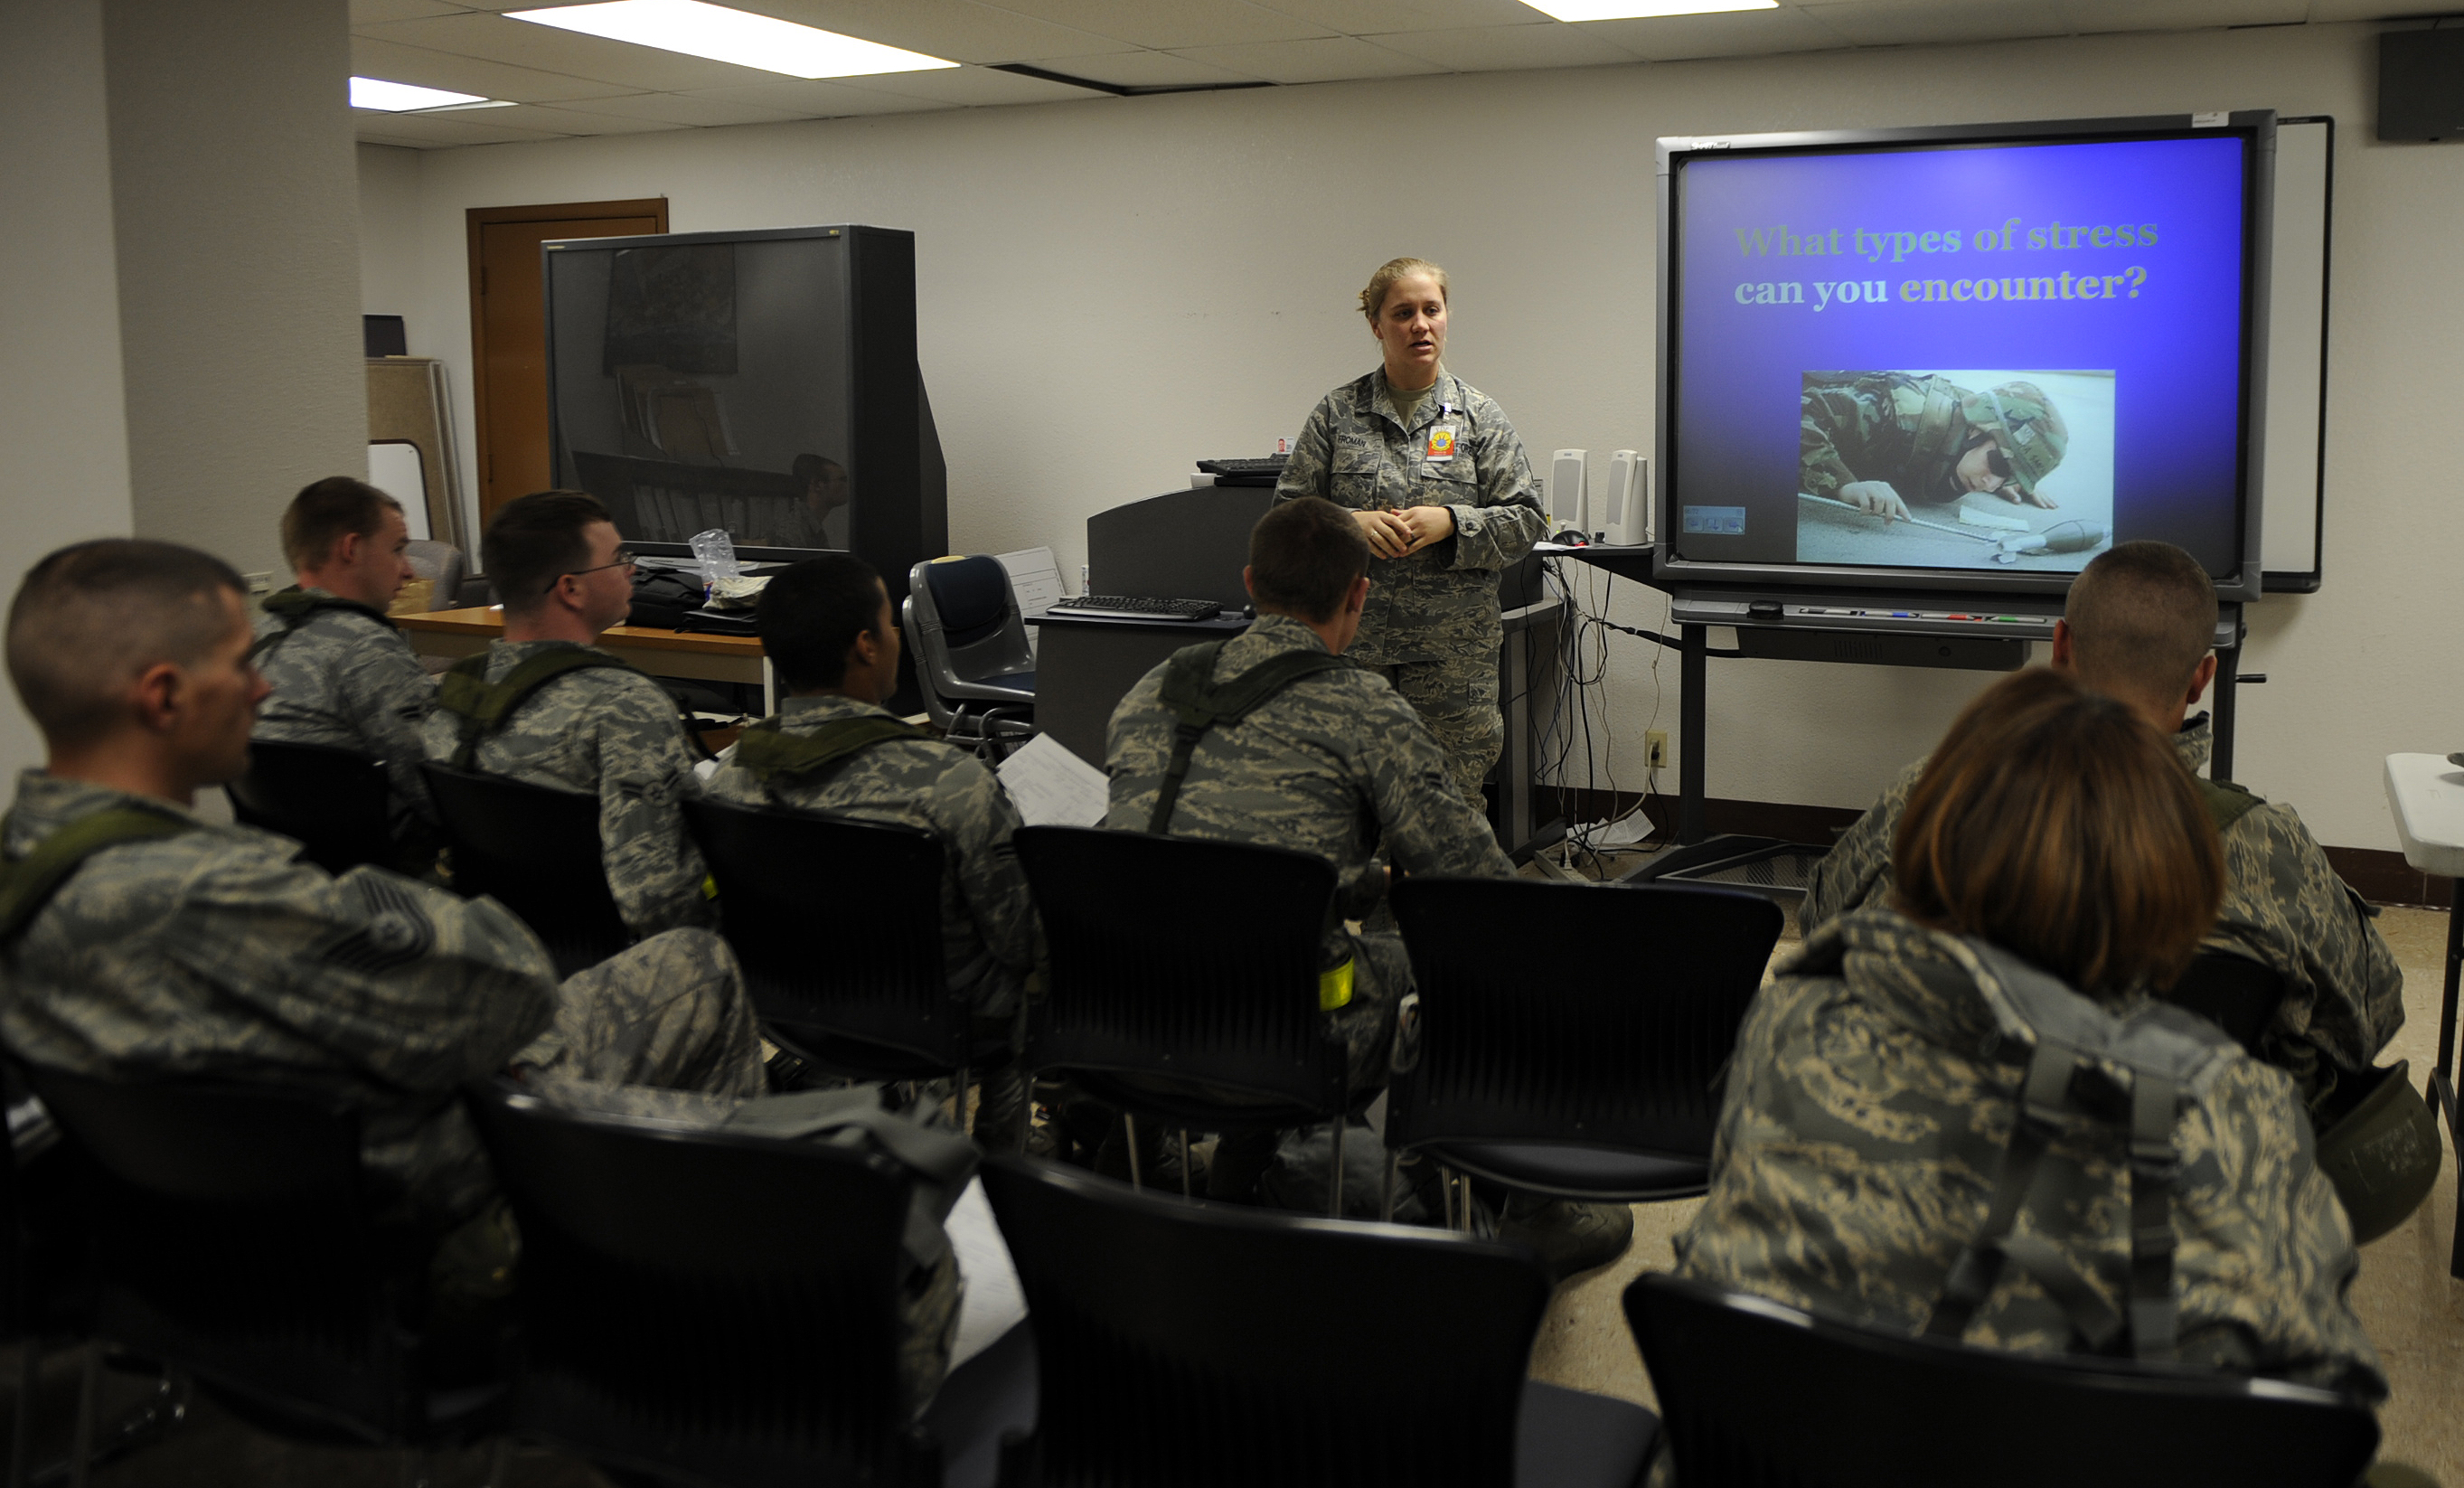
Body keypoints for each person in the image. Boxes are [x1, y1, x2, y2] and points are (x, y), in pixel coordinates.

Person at [0, 538, 976, 1413]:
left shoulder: (32, 879)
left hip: (211, 1274)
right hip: (430, 1267)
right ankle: (715, 1345)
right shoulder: (228, 899)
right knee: (905, 1233)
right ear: (165, 695)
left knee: (686, 966)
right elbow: (506, 987)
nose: (264, 688)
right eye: (240, 664)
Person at [1676, 667, 2384, 1400]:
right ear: (2170, 898)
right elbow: (2319, 1403)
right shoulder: (2231, 1112)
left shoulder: (1790, 1026)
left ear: (1930, 837)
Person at [1104, 498, 1628, 1276]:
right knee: (1469, 954)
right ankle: (1532, 1207)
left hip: (1119, 1017)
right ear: (1359, 595)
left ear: (1251, 583)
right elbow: (1478, 886)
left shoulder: (1148, 692)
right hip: (1291, 1031)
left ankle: (1139, 1161)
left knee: (1224, 932)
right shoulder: (1363, 708)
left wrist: (1354, 877)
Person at [1805, 542, 2403, 1109]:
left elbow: (1823, 935)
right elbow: (2366, 1022)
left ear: (2061, 646)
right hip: (2192, 1186)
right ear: (2201, 678)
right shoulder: (2268, 847)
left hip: (1949, 1167)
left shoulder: (1928, 799)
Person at [701, 554, 1039, 1140]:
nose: (895, 638)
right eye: (889, 625)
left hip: (792, 1016)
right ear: (865, 646)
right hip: (941, 1026)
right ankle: (1004, 1165)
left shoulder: (730, 779)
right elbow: (1017, 938)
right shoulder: (948, 780)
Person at [1274, 257, 1546, 806]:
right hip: (1354, 649)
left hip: (1451, 656)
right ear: (1377, 325)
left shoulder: (1478, 417)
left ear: (1446, 317)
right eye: (1403, 313)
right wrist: (1347, 523)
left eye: (1432, 310)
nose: (1420, 324)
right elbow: (1284, 520)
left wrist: (1453, 521)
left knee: (1446, 805)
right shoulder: (1337, 413)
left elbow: (1527, 520)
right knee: (1353, 801)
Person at [420, 490, 711, 937]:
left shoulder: (455, 692)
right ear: (571, 588)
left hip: (492, 949)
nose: (632, 569)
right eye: (618, 559)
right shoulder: (624, 705)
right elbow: (655, 901)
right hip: (608, 970)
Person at [250, 476, 437, 852]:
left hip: (283, 861)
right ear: (351, 548)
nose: (409, 571)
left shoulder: (258, 636)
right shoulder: (367, 647)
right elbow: (437, 791)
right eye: (398, 550)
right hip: (386, 876)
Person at [1801, 372, 2067, 523]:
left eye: (2007, 476)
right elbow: (1795, 411)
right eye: (1999, 464)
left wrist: (2013, 473)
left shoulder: (1980, 425)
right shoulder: (1897, 411)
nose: (1990, 485)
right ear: (1976, 429)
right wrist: (1843, 483)